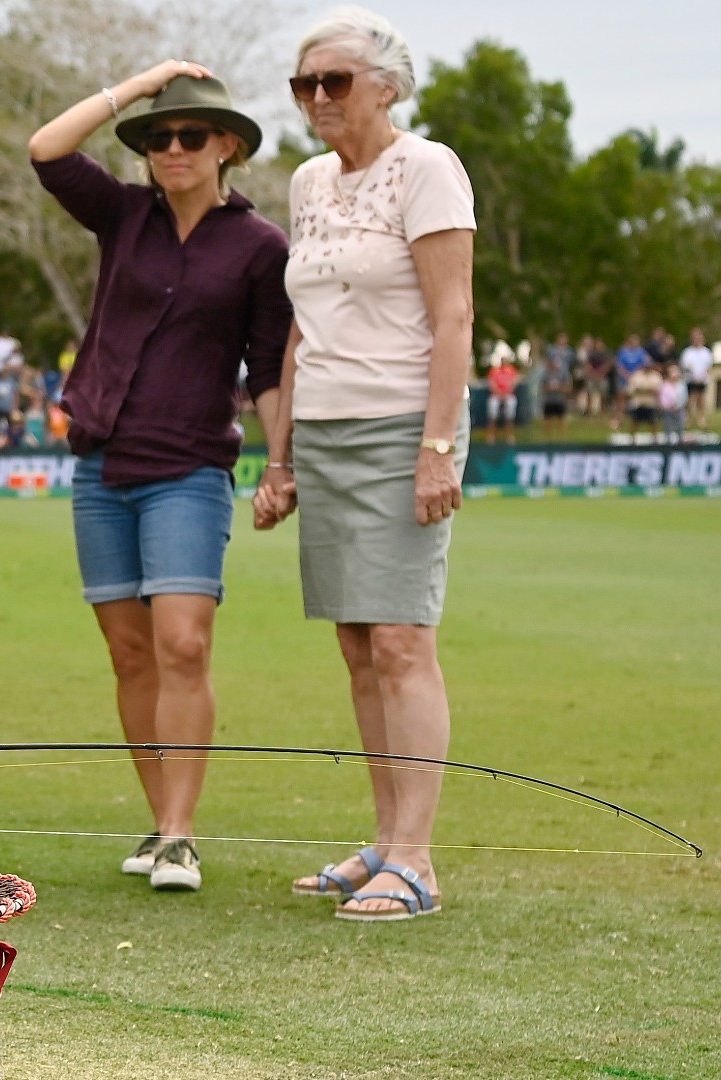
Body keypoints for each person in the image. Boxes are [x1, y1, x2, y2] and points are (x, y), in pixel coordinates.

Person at [31, 64, 290, 892]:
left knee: (183, 642)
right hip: (102, 463)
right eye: (158, 138)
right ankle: (158, 823)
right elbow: (45, 149)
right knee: (129, 651)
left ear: (228, 148)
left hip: (188, 467)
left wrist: (281, 465)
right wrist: (146, 84)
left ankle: (182, 831)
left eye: (190, 136)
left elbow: (269, 368)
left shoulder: (260, 247)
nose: (172, 148)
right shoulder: (123, 213)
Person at [256, 7, 476, 921]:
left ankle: (417, 859)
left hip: (401, 426)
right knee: (356, 642)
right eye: (304, 84)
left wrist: (436, 444)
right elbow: (304, 325)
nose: (315, 99)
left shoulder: (427, 169)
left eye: (334, 82)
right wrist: (281, 455)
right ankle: (384, 841)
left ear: (387, 86)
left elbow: (453, 315)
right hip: (328, 430)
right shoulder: (308, 182)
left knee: (400, 640)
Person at [540, 336, 572, 440]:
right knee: (547, 420)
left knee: (561, 420)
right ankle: (546, 439)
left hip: (559, 400)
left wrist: (558, 388)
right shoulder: (546, 374)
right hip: (549, 400)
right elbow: (542, 388)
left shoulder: (563, 375)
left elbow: (568, 388)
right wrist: (549, 388)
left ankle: (562, 439)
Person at [680, 328, 713, 430]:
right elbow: (685, 366)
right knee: (689, 400)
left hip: (702, 379)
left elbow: (708, 367)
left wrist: (701, 377)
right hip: (690, 380)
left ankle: (701, 418)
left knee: (701, 400)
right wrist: (692, 376)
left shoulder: (706, 352)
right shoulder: (687, 352)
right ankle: (687, 418)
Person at [485, 355, 518, 444]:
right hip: (496, 394)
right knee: (492, 406)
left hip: (508, 394)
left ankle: (509, 435)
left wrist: (506, 392)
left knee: (511, 405)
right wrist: (498, 393)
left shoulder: (511, 371)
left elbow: (514, 383)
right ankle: (491, 435)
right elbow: (491, 383)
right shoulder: (494, 371)